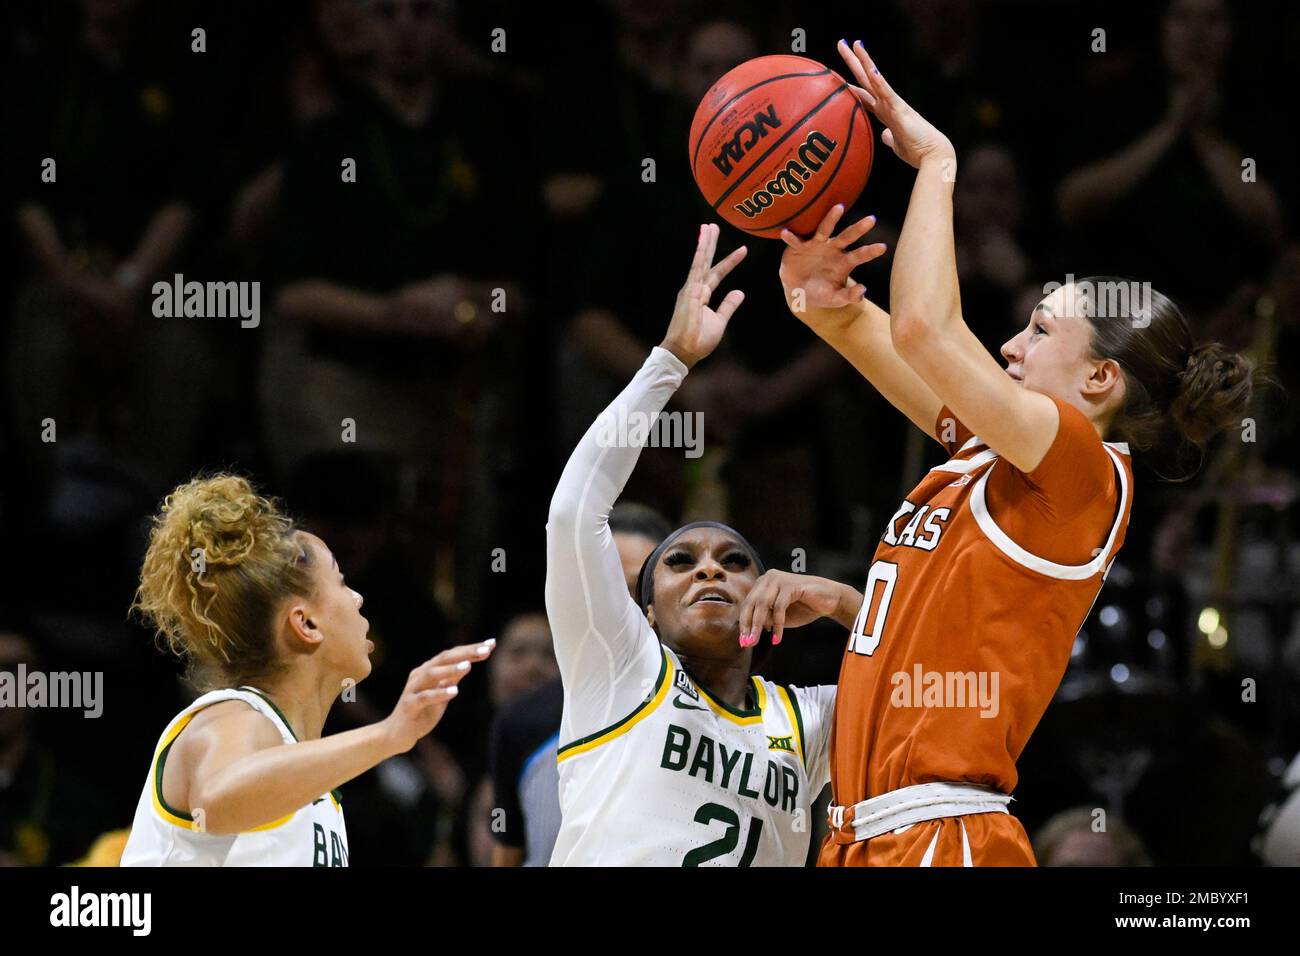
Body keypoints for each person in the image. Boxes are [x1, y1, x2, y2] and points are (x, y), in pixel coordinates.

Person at [770, 39, 1252, 866]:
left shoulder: (1083, 469)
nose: (1009, 344)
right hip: (864, 833)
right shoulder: (996, 458)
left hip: (940, 837)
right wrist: (813, 292)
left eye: (1037, 329)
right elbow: (865, 329)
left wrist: (937, 165)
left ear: (1101, 378)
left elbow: (924, 330)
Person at [546, 225, 867, 866]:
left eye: (735, 561)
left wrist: (842, 602)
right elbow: (575, 511)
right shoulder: (619, 669)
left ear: (766, 591)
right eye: (680, 561)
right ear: (643, 613)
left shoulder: (805, 721)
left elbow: (925, 676)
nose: (710, 570)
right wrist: (669, 361)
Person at [119, 474, 491, 866]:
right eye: (342, 583)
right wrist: (389, 735)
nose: (359, 597)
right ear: (306, 624)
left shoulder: (309, 779)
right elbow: (216, 801)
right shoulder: (237, 717)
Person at [488, 502, 670, 867]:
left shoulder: (709, 710)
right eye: (604, 586)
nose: (617, 605)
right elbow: (509, 854)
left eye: (636, 587)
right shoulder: (521, 722)